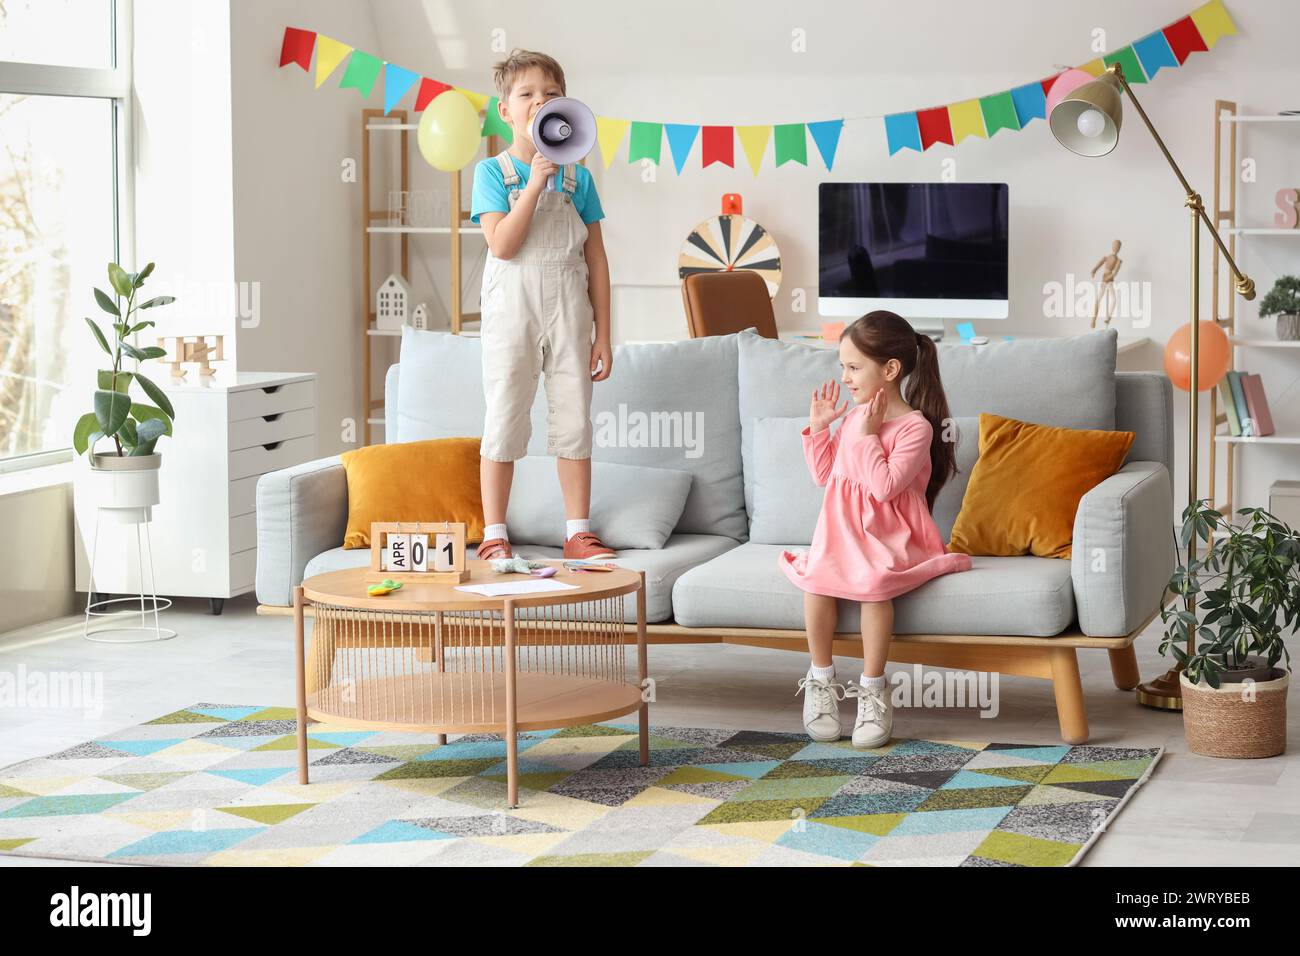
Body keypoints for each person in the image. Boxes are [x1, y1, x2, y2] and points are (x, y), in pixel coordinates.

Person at [780, 311, 973, 748]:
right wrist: (819, 428)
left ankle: (873, 689)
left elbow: (884, 488)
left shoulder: (915, 427)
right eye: (842, 366)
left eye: (853, 367)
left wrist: (866, 435)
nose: (845, 377)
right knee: (818, 581)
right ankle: (822, 681)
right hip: (843, 531)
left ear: (889, 370)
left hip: (891, 535)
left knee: (874, 584)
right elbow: (827, 477)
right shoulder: (854, 418)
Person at [470, 49, 615, 561]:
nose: (539, 102)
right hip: (513, 313)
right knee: (505, 415)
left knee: (575, 417)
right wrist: (534, 182)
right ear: (505, 110)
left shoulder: (580, 178)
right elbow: (503, 245)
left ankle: (577, 530)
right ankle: (494, 534)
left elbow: (596, 260)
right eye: (526, 94)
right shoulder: (493, 172)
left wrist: (604, 334)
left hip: (570, 310)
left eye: (551, 94)